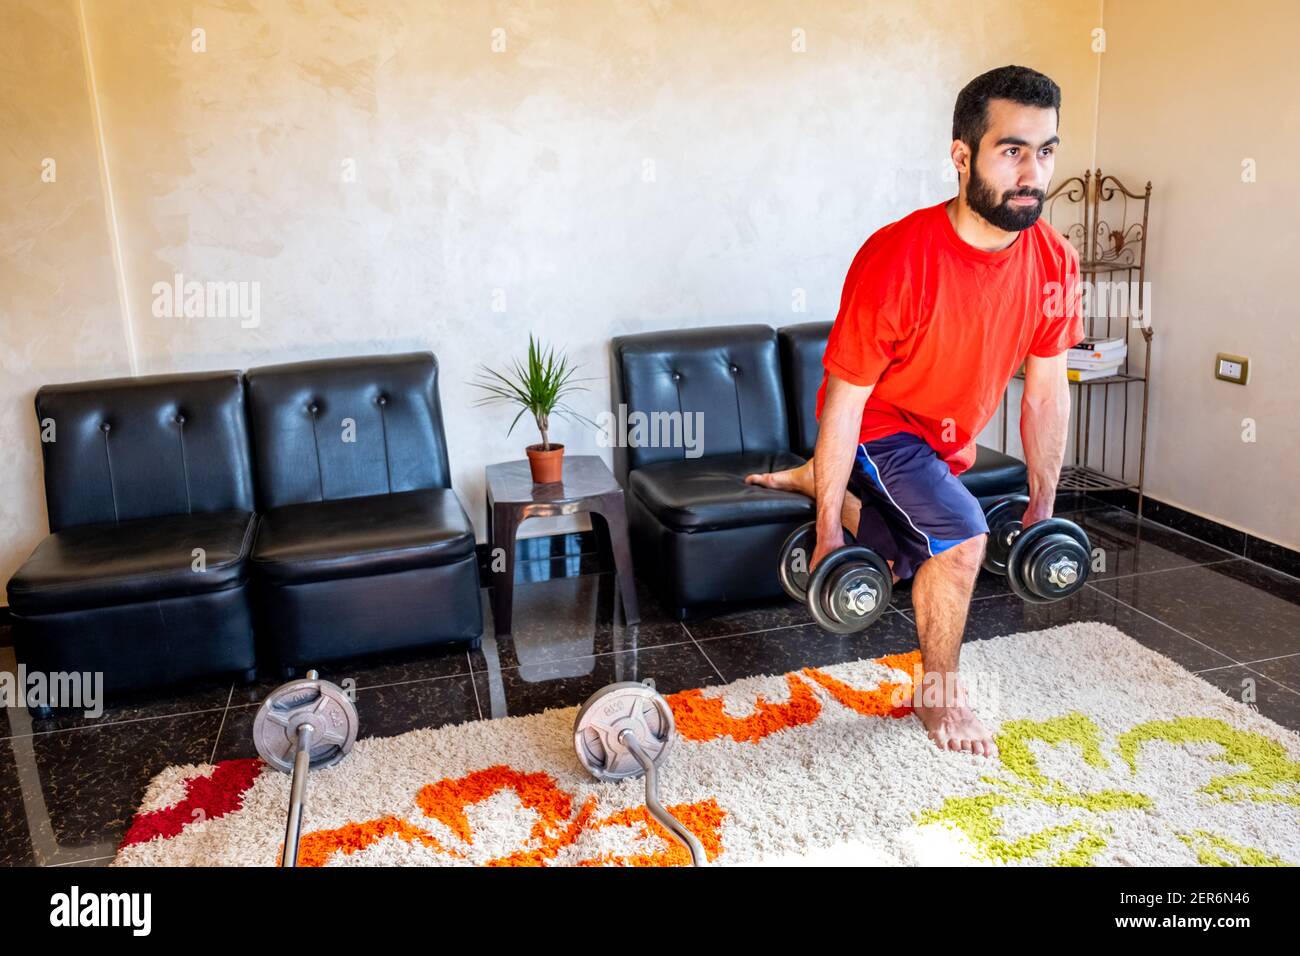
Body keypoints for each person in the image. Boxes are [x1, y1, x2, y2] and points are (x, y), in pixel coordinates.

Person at [748, 65, 1084, 758]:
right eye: (1011, 149)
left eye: (1046, 150)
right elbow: (845, 403)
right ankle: (938, 697)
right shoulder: (898, 258)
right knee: (960, 538)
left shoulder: (1054, 263)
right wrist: (822, 540)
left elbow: (1047, 392)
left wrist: (1042, 507)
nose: (1033, 171)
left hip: (942, 445)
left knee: (904, 555)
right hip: (881, 423)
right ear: (962, 156)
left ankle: (829, 485)